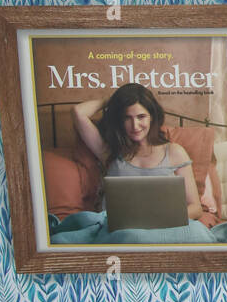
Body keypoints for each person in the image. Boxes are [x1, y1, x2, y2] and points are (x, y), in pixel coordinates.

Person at [72, 84, 203, 223]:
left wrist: (157, 221)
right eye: (127, 118)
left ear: (152, 117)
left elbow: (196, 208)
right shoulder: (109, 151)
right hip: (123, 230)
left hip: (167, 225)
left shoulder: (174, 152)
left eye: (141, 116)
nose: (135, 126)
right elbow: (78, 112)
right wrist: (113, 100)